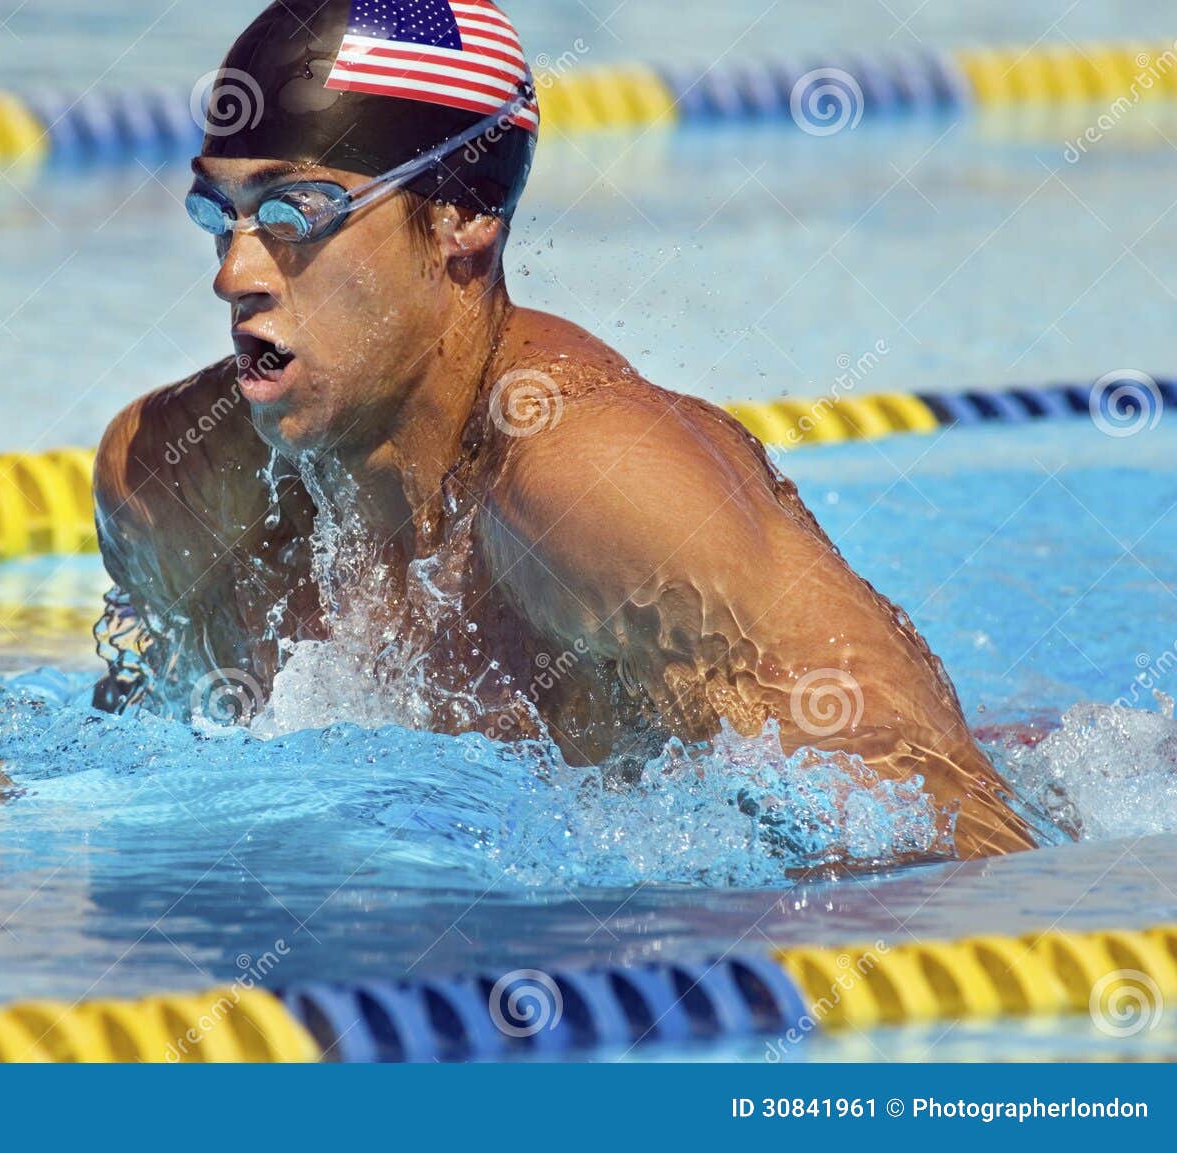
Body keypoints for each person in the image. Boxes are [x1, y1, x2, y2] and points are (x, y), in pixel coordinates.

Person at [92, 0, 1034, 859]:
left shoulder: (591, 491)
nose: (234, 273)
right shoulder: (170, 482)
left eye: (298, 212)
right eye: (222, 214)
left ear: (464, 214)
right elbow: (118, 766)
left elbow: (947, 834)